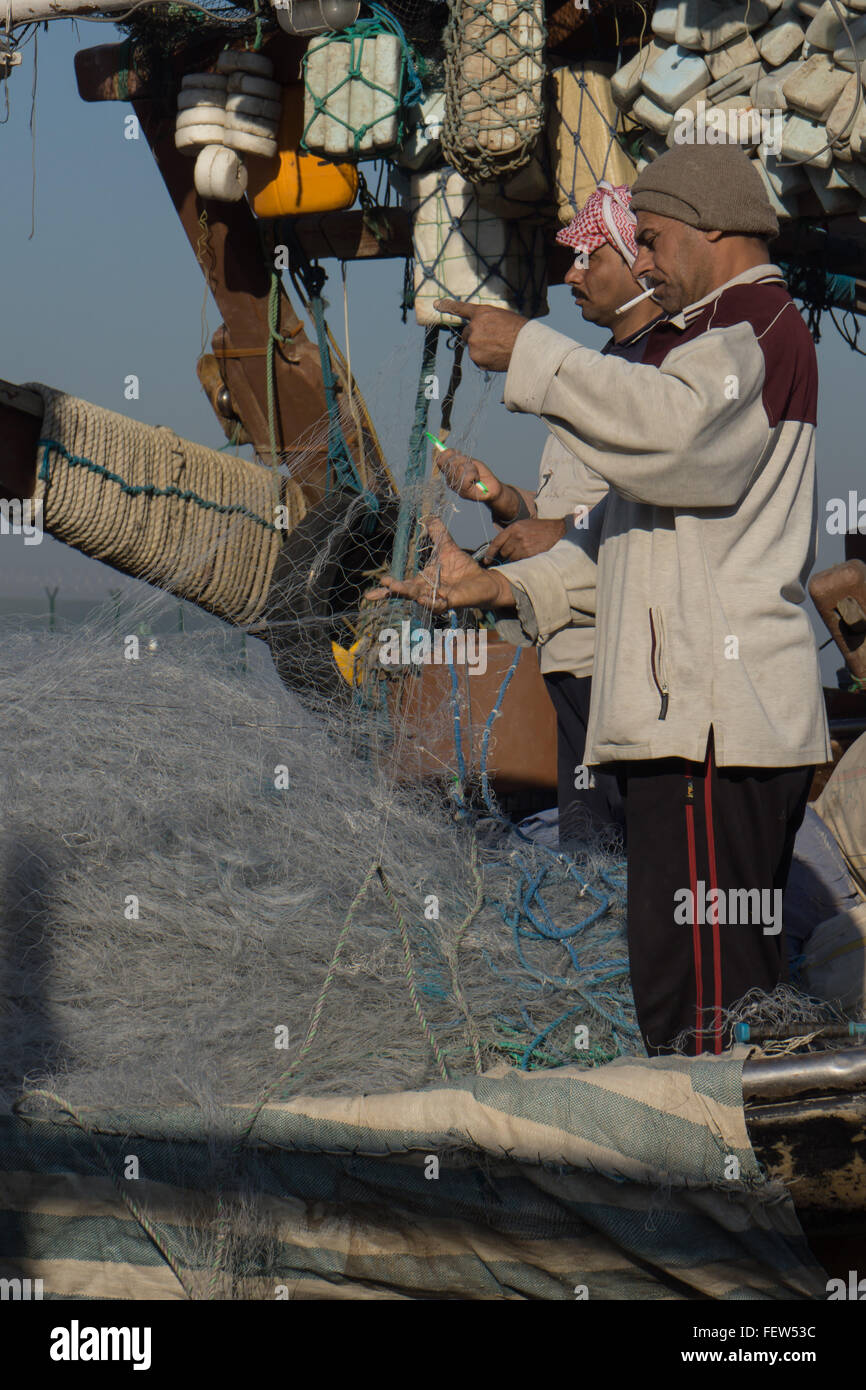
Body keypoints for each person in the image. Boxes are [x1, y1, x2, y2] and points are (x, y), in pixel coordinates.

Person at [370, 144, 831, 1057]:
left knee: (707, 995)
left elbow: (680, 440)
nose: (644, 262)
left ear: (714, 227)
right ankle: (746, 1164)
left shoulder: (753, 324)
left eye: (651, 239)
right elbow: (614, 544)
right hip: (691, 727)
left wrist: (531, 353)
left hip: (715, 728)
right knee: (693, 983)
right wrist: (489, 584)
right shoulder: (709, 336)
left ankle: (730, 1173)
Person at [434, 183, 661, 846]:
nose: (571, 275)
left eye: (590, 258)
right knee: (587, 845)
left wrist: (555, 532)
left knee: (623, 848)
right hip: (568, 659)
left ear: (635, 261)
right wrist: (501, 497)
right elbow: (574, 506)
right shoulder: (601, 373)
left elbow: (667, 510)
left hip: (620, 668)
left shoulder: (658, 370)